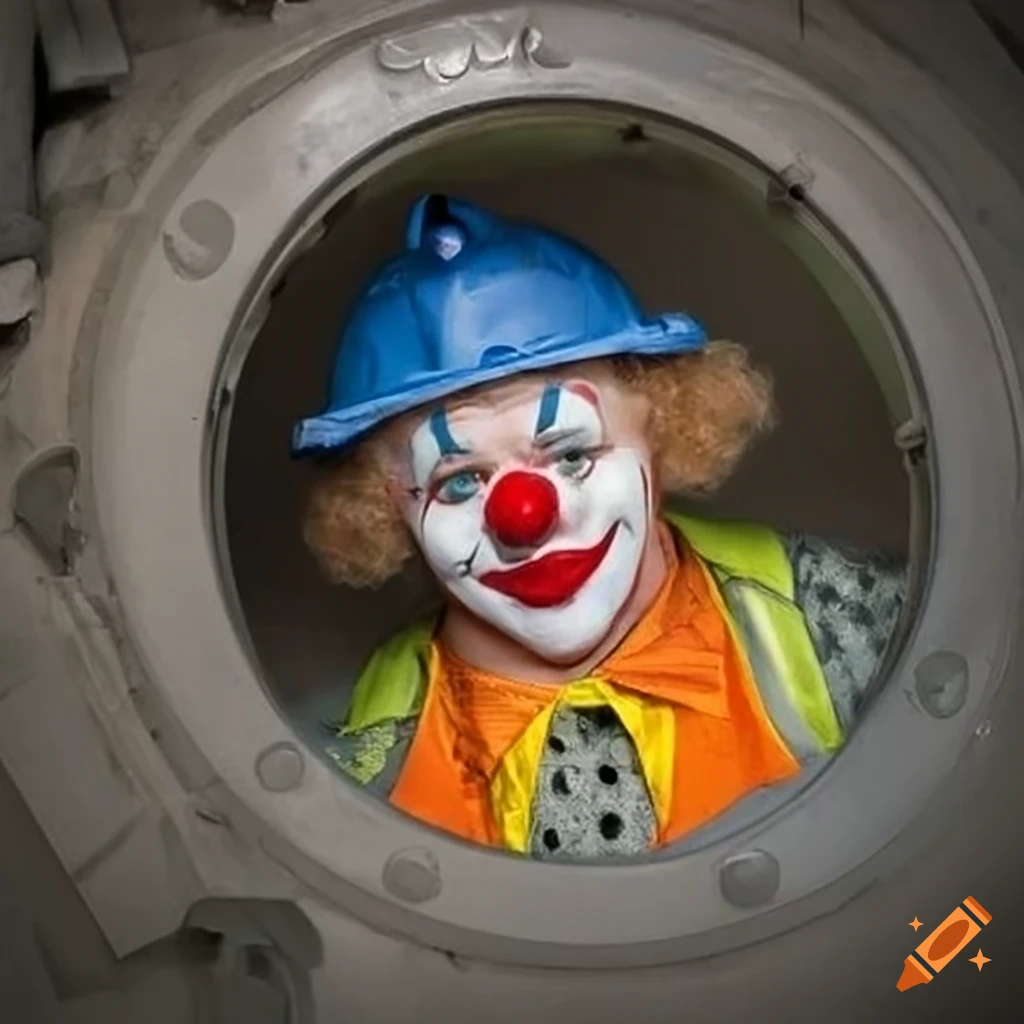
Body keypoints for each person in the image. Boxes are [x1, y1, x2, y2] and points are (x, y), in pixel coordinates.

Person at [292, 194, 907, 860]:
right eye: (460, 482)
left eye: (572, 454)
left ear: (664, 429)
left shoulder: (841, 617)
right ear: (387, 507)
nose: (525, 518)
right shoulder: (358, 761)